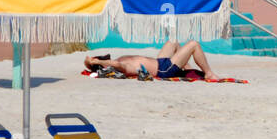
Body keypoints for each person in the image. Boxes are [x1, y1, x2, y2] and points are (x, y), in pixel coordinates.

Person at [84, 40, 220, 81]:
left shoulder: (118, 61)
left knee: (173, 42)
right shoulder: (119, 66)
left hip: (160, 63)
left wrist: (91, 62)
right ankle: (208, 73)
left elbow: (111, 62)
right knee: (194, 44)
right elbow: (115, 64)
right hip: (164, 69)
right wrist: (96, 63)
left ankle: (186, 68)